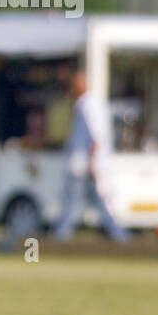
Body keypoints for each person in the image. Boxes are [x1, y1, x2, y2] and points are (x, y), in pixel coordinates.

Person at [54, 71, 129, 242]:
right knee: (98, 202)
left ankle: (61, 238)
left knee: (72, 202)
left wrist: (93, 163)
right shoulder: (93, 103)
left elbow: (96, 136)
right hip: (86, 163)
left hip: (83, 163)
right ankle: (120, 237)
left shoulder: (87, 104)